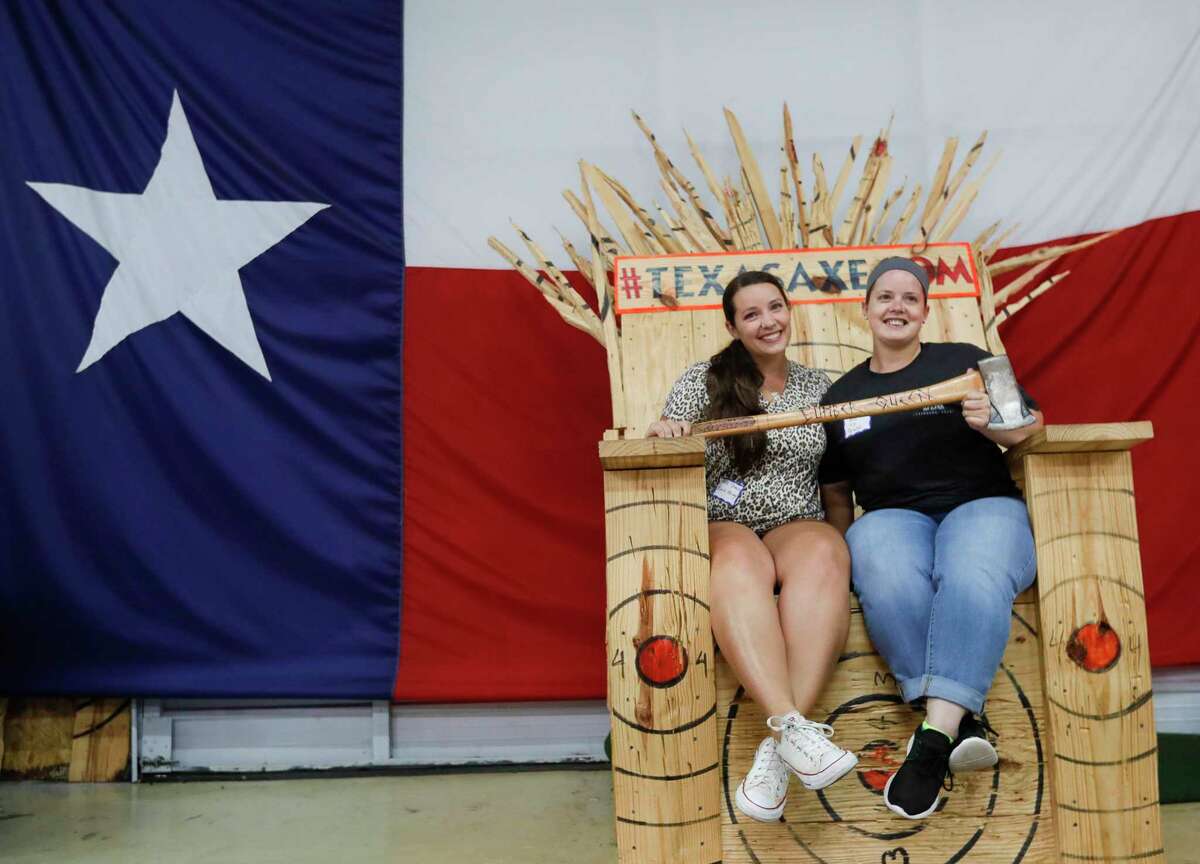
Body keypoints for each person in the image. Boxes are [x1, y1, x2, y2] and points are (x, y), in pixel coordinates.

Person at [818, 257, 1044, 820]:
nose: (897, 307)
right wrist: (842, 559)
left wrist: (989, 423)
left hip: (981, 503)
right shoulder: (842, 396)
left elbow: (1028, 427)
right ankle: (960, 720)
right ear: (865, 309)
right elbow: (838, 491)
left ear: (924, 311)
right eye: (885, 297)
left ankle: (931, 743)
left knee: (969, 571)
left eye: (909, 299)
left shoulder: (966, 361)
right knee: (883, 570)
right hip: (893, 516)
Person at [648, 270, 857, 823]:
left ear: (790, 310)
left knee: (827, 551)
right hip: (726, 519)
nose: (768, 322)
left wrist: (848, 546)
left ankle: (781, 746)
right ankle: (793, 730)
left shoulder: (821, 387)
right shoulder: (704, 380)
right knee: (740, 559)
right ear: (733, 326)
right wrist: (668, 431)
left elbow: (836, 482)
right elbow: (668, 438)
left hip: (796, 520)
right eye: (752, 314)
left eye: (776, 308)